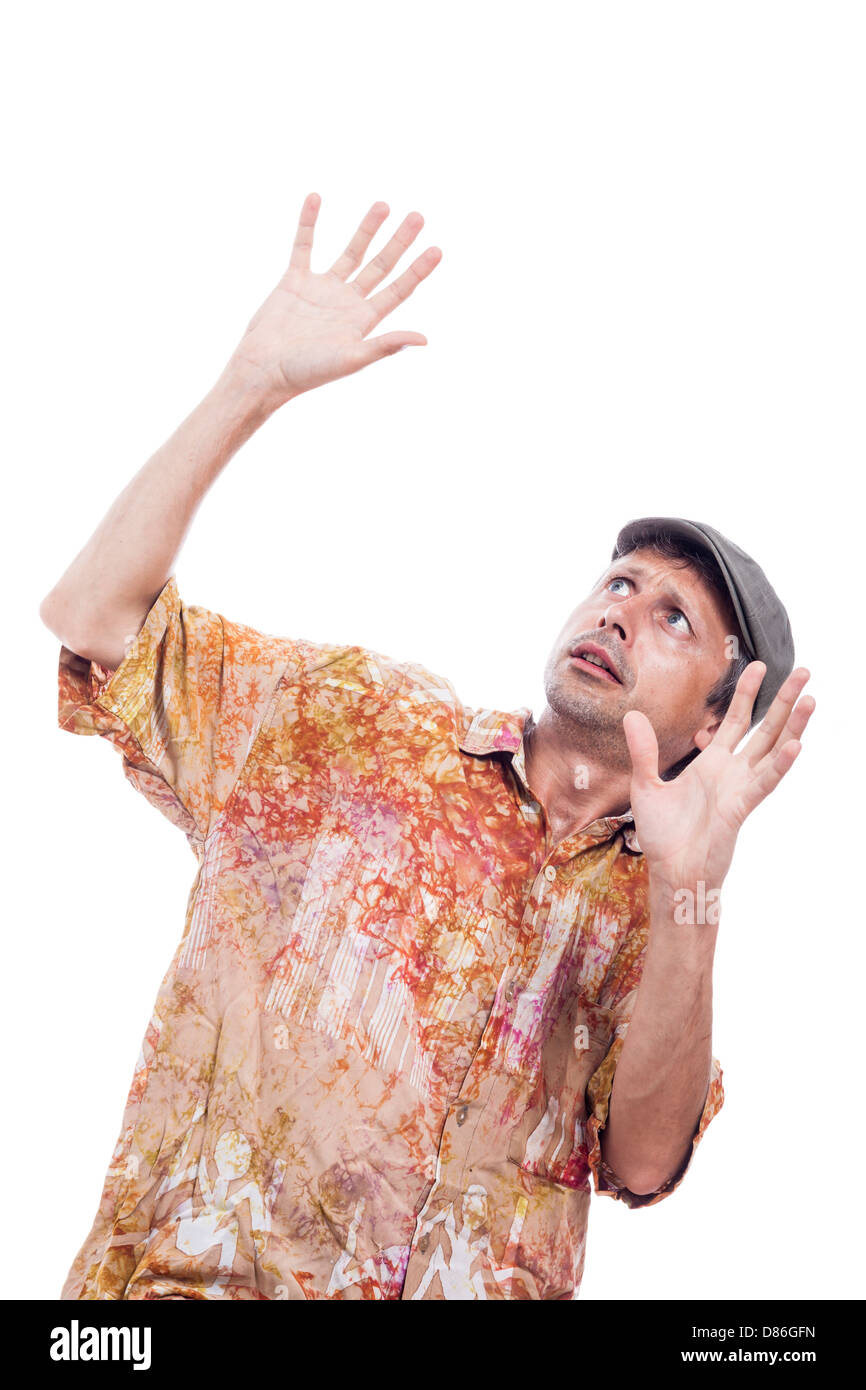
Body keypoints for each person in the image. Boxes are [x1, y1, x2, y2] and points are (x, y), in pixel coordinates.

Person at [40, 193, 814, 1301]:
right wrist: (249, 384)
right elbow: (96, 621)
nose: (617, 611)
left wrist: (690, 896)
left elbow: (643, 1162)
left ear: (716, 723)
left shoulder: (662, 922)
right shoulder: (348, 720)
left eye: (672, 618)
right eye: (617, 583)